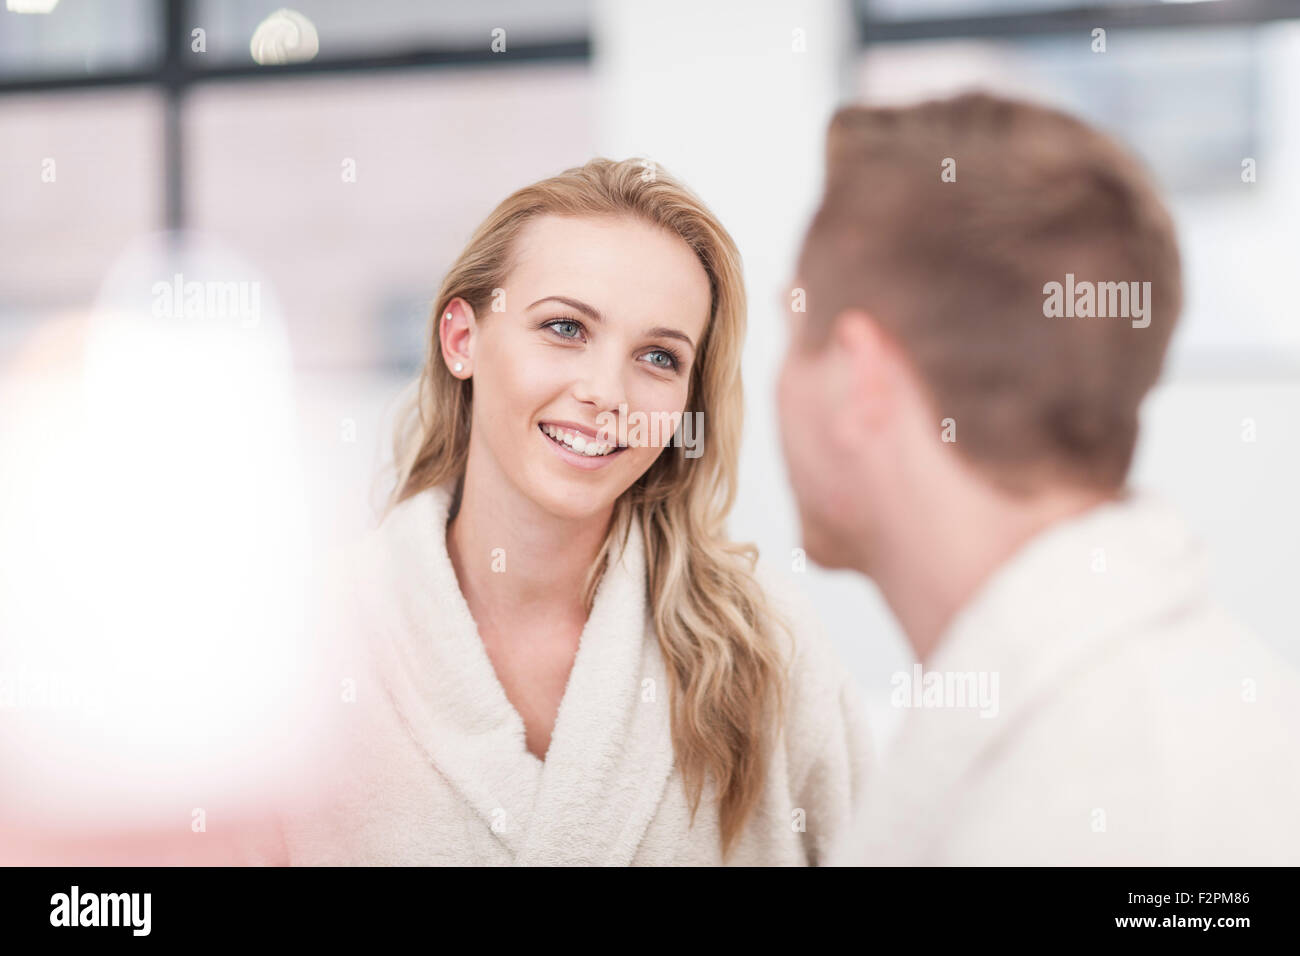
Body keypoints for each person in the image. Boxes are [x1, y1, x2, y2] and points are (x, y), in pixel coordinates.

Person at [265, 157, 871, 866]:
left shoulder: (768, 651)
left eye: (658, 357)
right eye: (565, 328)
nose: (607, 392)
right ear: (462, 339)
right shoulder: (299, 643)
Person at [776, 92, 1300, 865]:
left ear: (860, 381)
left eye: (794, 336)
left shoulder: (1120, 808)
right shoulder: (1146, 711)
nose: (777, 383)